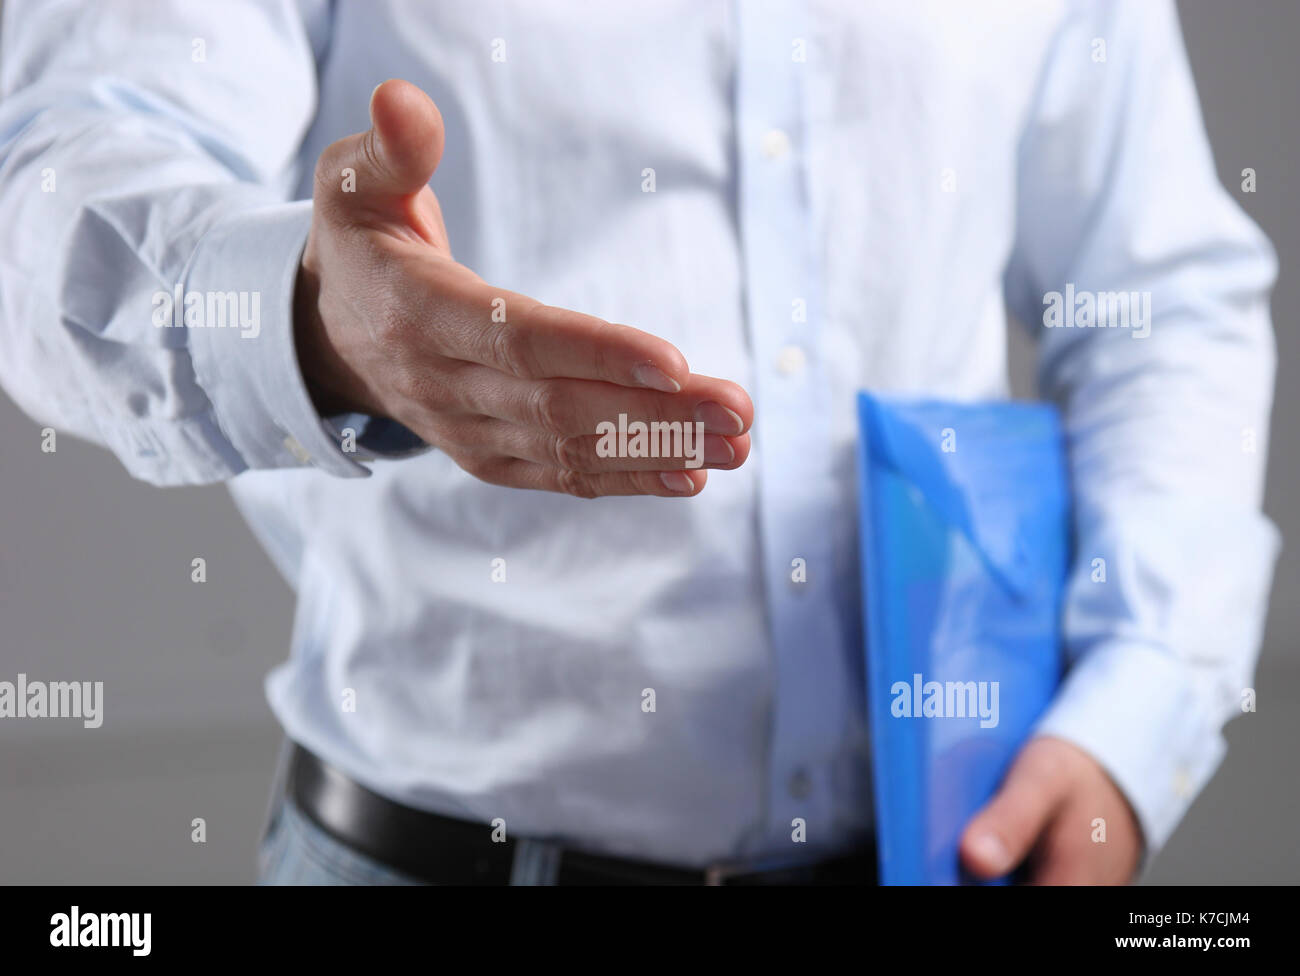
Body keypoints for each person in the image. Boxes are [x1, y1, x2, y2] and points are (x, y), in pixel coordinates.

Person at [0, 0, 1277, 885]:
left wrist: (1134, 711)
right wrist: (305, 320)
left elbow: (1155, 296)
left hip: (946, 848)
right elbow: (57, 187)